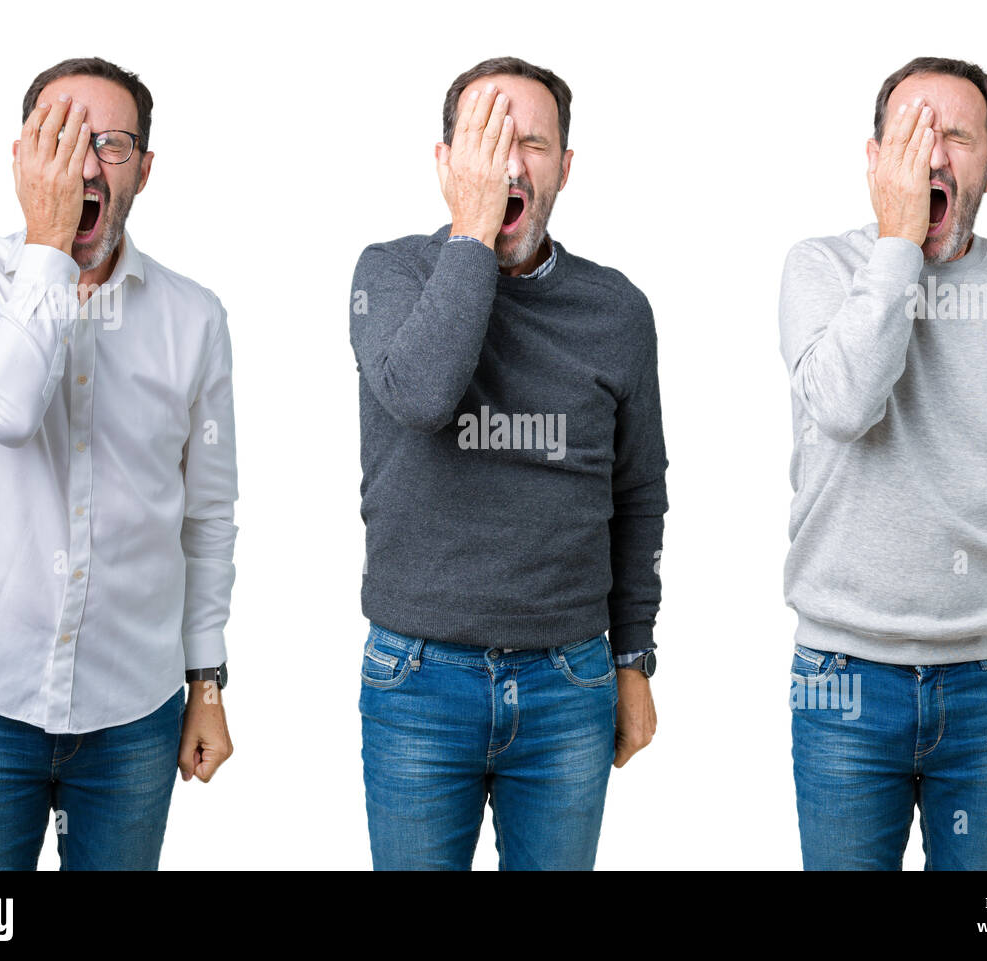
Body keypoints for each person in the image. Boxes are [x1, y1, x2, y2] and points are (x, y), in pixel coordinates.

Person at [779, 57, 987, 870]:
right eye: (910, 134)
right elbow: (848, 406)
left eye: (955, 136)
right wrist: (897, 244)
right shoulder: (819, 272)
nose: (931, 155)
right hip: (842, 679)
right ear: (874, 157)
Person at [349, 56, 668, 870]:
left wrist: (633, 659)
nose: (509, 163)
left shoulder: (617, 309)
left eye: (531, 142)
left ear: (565, 167)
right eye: (486, 140)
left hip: (570, 679)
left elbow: (637, 494)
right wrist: (472, 234)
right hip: (417, 677)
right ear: (445, 162)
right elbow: (422, 394)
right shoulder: (388, 274)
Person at [0, 57, 237, 870]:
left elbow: (206, 519)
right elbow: (9, 408)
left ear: (146, 168)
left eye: (112, 143)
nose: (87, 163)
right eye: (61, 138)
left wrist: (207, 687)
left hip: (136, 713)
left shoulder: (195, 318)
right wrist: (50, 246)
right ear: (24, 155)